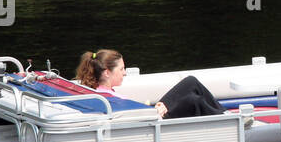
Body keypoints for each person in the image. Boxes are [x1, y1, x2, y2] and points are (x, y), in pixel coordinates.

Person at [75, 49, 224, 118]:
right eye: (121, 69)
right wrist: (154, 112)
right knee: (194, 100)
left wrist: (154, 109)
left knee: (190, 82)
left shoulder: (103, 92)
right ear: (107, 72)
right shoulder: (108, 98)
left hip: (150, 115)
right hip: (153, 124)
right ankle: (228, 122)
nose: (125, 73)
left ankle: (224, 114)